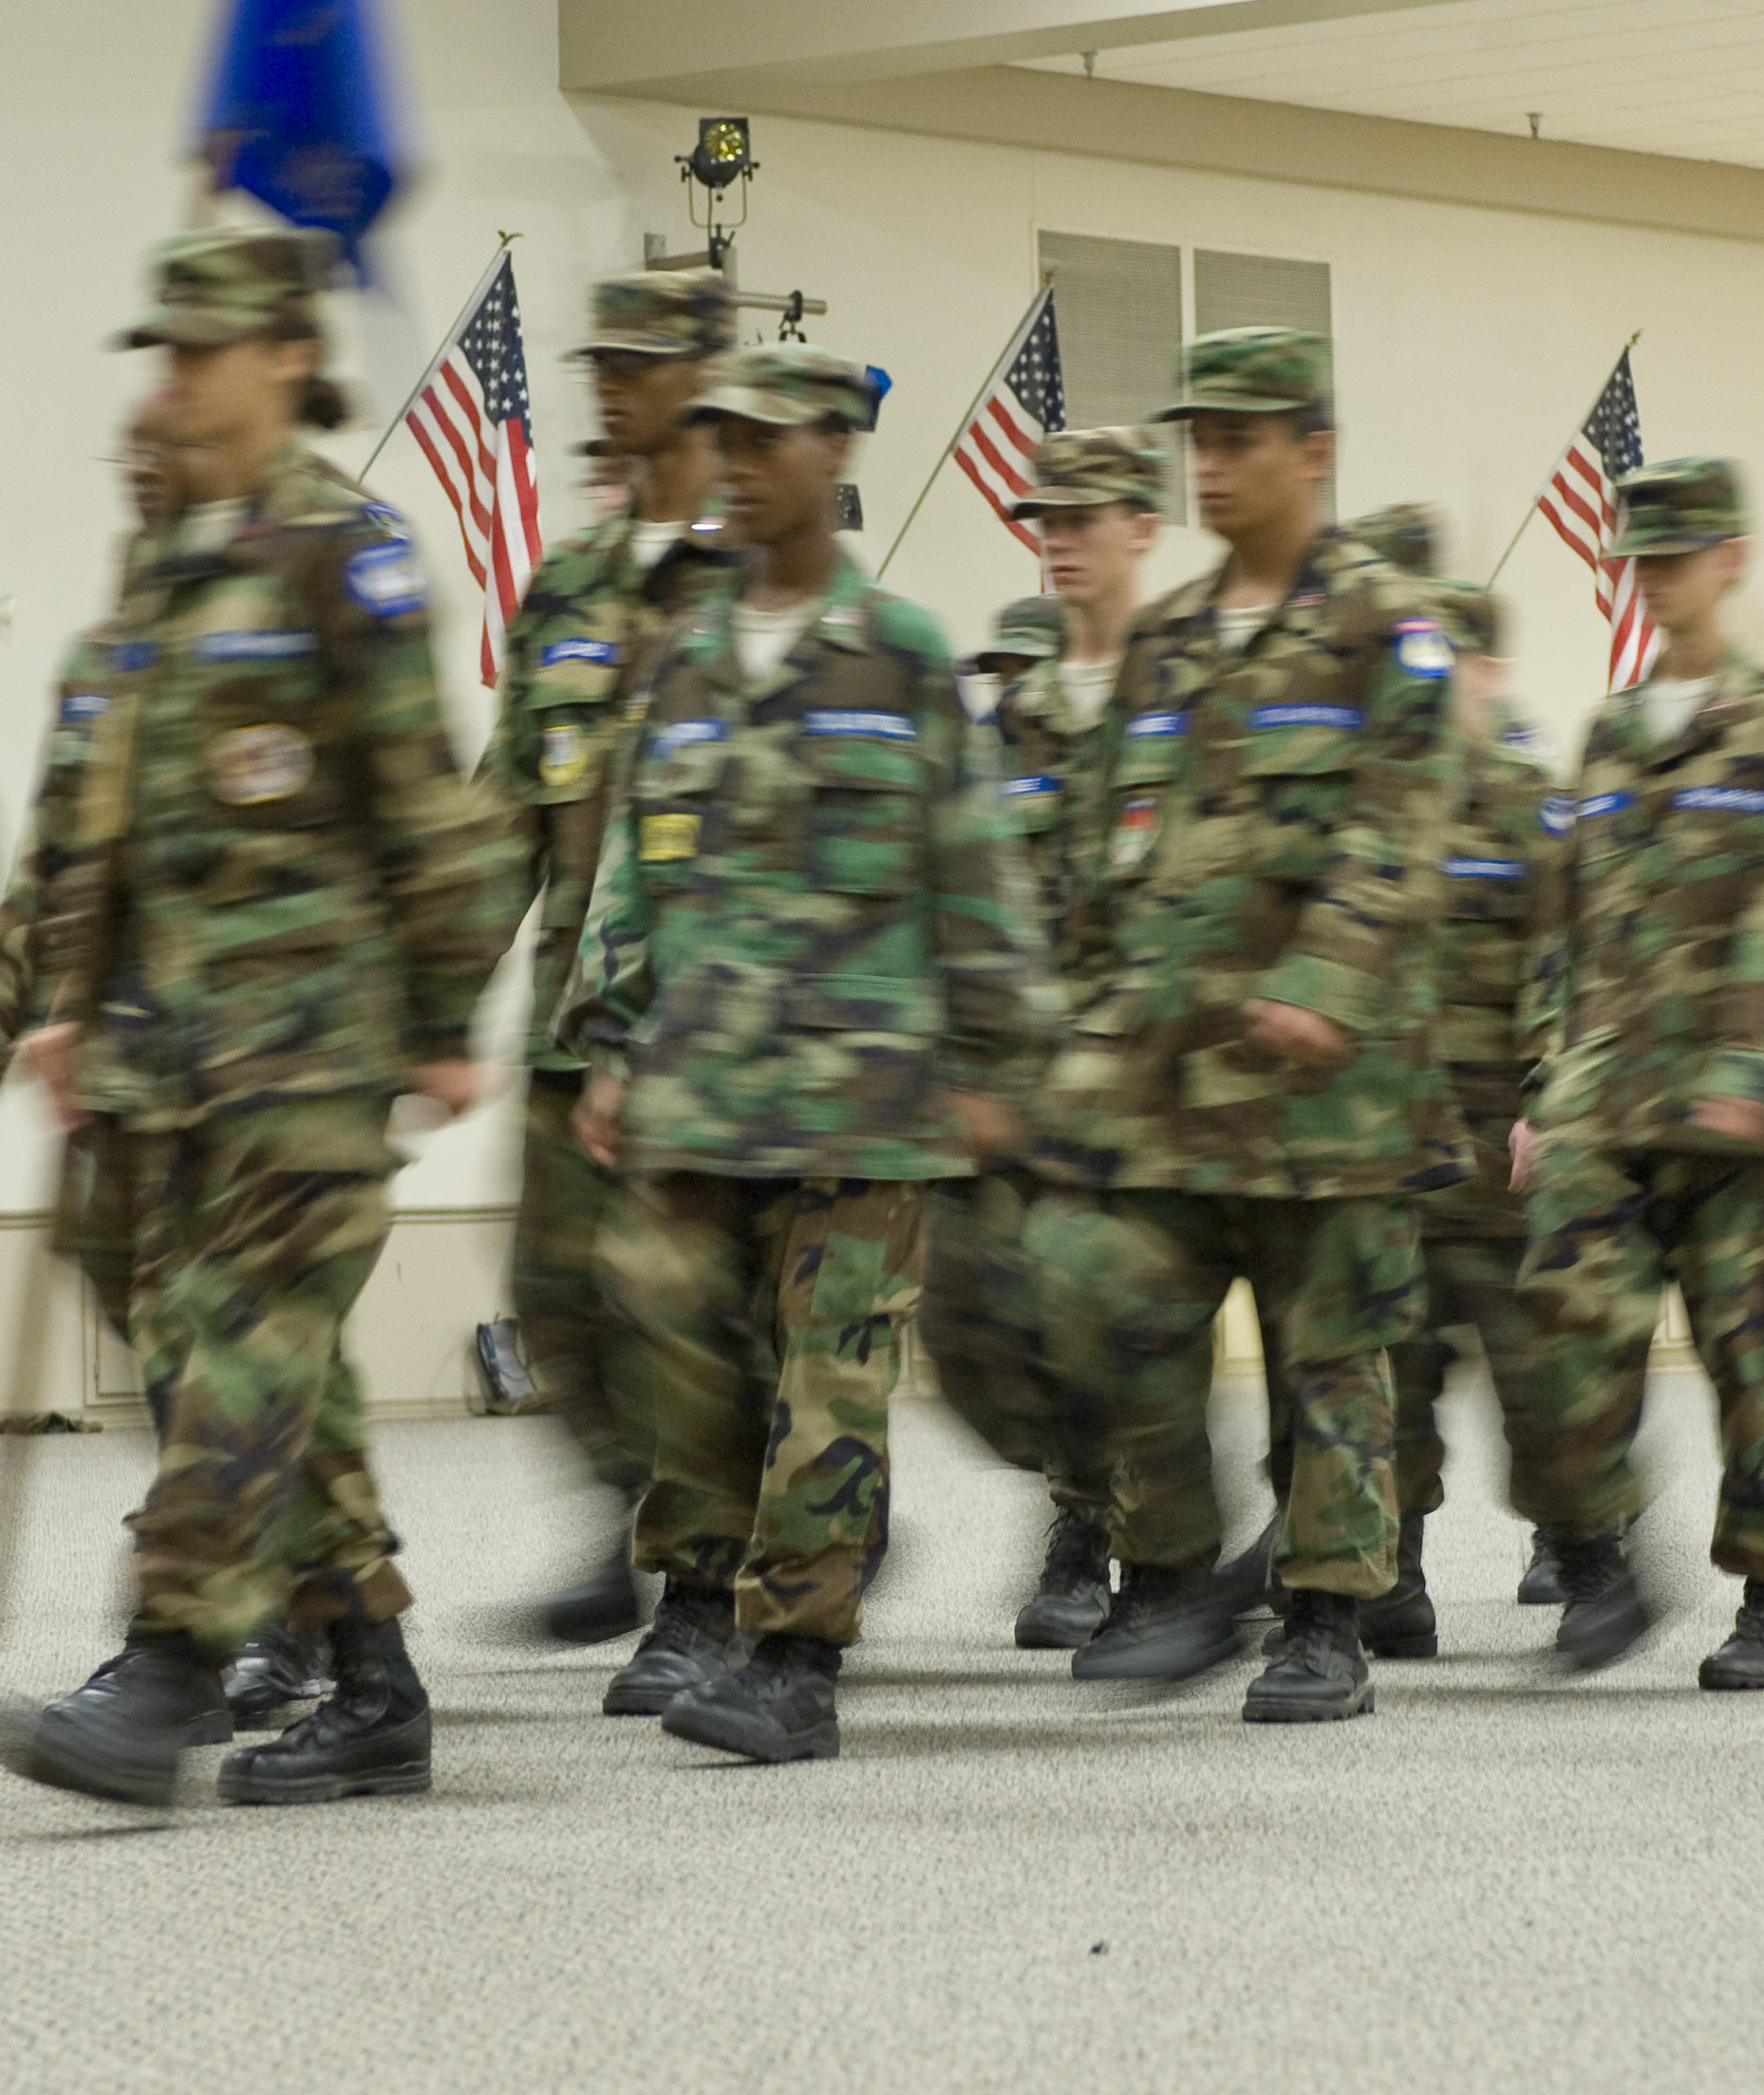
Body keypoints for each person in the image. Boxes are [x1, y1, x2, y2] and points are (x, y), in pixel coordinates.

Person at [3, 226, 517, 1808]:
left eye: (204, 348)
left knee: (237, 1353)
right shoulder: (169, 566)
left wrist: (438, 1017)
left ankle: (164, 1671)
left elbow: (426, 807)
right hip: (177, 1057)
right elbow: (115, 827)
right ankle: (373, 1683)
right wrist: (74, 1007)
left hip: (311, 1048)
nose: (177, 379)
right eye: (164, 351)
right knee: (258, 1364)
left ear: (287, 356)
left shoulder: (340, 552)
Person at [560, 343, 1051, 1764]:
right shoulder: (690, 661)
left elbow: (973, 863)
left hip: (865, 1081)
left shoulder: (897, 653)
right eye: (721, 439)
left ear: (834, 454)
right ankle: (703, 1588)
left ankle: (795, 1653)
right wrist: (605, 1037)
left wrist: (991, 1058)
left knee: (830, 1365)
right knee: (672, 1334)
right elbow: (636, 868)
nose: (736, 462)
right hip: (702, 1078)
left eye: (766, 439)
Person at [1025, 327, 1461, 1726]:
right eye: (1194, 438)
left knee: (1331, 1350)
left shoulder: (1384, 629)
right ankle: (1171, 1570)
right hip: (1169, 1079)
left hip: (1329, 1079)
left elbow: (1398, 836)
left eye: (1237, 437)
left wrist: (1321, 986)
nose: (1208, 461)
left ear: (1311, 450)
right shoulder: (1161, 639)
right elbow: (1107, 858)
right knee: (1115, 1307)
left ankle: (1327, 1615)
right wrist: (1084, 1039)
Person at [0, 408, 337, 1733]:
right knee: (178, 1351)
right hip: (139, 1071)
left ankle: (255, 1629)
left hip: (274, 1060)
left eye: (172, 443)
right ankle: (279, 1614)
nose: (147, 464)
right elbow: (56, 877)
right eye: (129, 451)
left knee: (239, 1354)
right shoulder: (108, 658)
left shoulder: (299, 612)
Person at [1505, 457, 1764, 1690]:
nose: (1656, 579)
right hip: (1604, 1096)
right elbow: (1561, 926)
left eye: (1677, 554)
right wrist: (1542, 1084)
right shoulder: (1605, 734)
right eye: (1639, 558)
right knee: (1556, 1322)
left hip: (1737, 1107)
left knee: (1750, 1352)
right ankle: (1599, 1557)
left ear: (1729, 560)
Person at [482, 268, 741, 1663]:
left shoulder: (756, 574)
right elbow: (507, 801)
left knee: (677, 1299)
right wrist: (425, 1000)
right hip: (570, 1014)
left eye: (637, 361)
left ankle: (722, 1561)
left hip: (712, 1020)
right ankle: (629, 1512)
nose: (610, 380)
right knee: (553, 1298)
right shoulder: (566, 586)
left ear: (706, 375)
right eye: (603, 359)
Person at [930, 439, 1163, 1654]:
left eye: (1082, 516)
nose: (1056, 535)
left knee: (1105, 1307)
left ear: (1142, 526)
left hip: (1154, 1076)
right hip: (1021, 1078)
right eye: (1043, 518)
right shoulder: (1010, 721)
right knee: (974, 1331)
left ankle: (1118, 1539)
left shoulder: (1184, 696)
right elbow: (965, 897)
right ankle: (1084, 1492)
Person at [1342, 505, 1555, 1655]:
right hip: (1395, 1141)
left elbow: (1562, 957)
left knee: (1542, 1382)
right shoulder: (1369, 789)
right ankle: (1395, 1573)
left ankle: (1586, 1539)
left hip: (1503, 1142)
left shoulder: (1525, 794)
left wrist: (1545, 1095)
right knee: (1392, 1365)